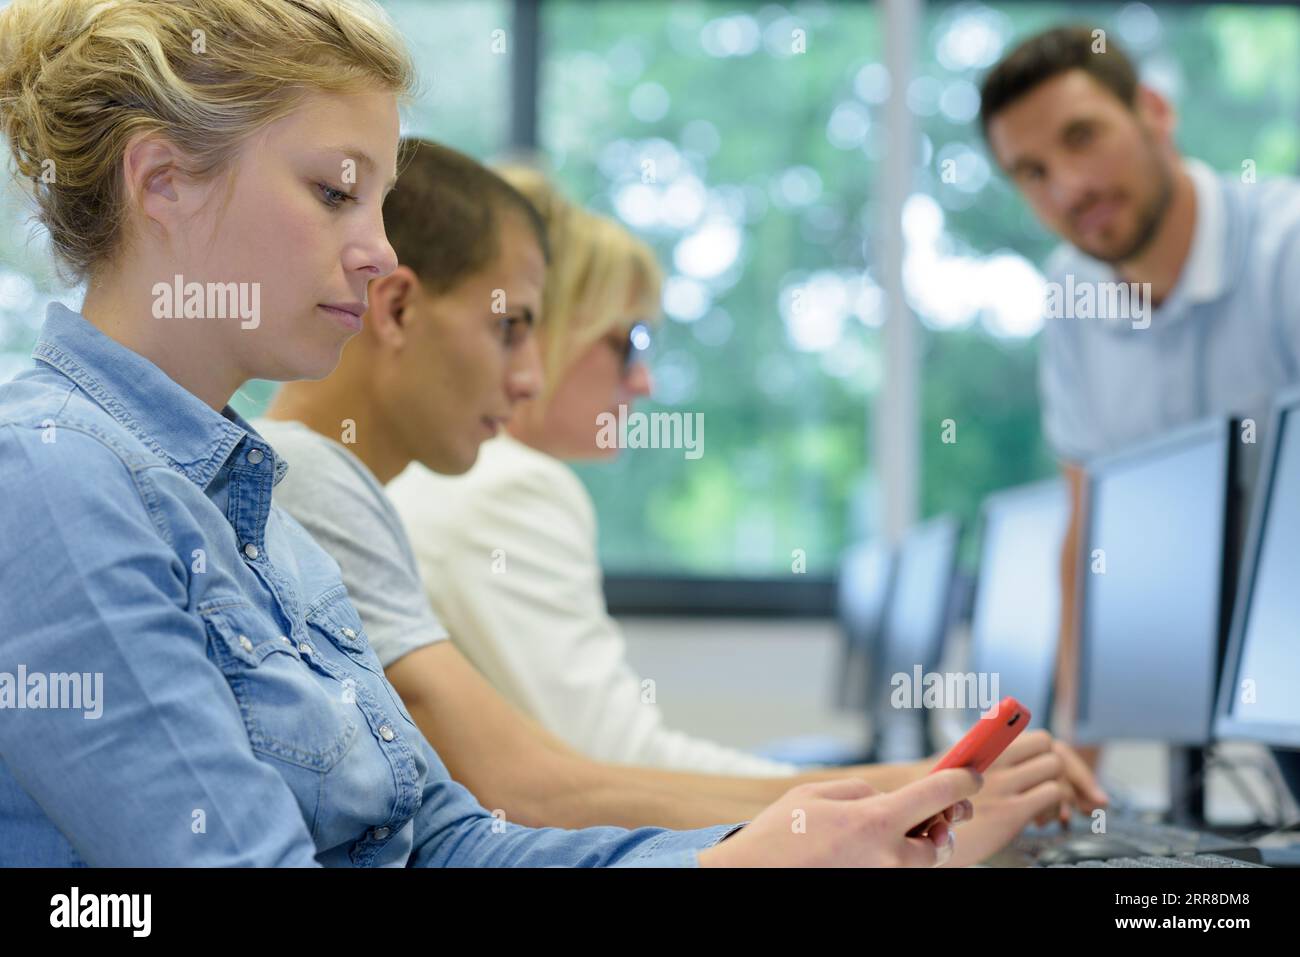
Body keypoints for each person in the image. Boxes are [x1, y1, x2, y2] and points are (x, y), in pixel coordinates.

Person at [0, 0, 983, 867]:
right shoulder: (52, 478)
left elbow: (455, 842)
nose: (379, 250)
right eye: (336, 193)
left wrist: (746, 853)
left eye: (379, 204)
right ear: (163, 182)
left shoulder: (262, 512)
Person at [263, 139, 1093, 865]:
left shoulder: (340, 485)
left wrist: (883, 801)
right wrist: (900, 795)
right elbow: (546, 791)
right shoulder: (326, 476)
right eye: (514, 326)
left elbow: (487, 819)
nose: (527, 377)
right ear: (397, 306)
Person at [979, 25, 1300, 791]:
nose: (1067, 188)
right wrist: (1066, 775)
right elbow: (1089, 533)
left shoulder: (1284, 248)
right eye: (1032, 171)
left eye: (1082, 137)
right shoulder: (1072, 293)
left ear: (1154, 111)